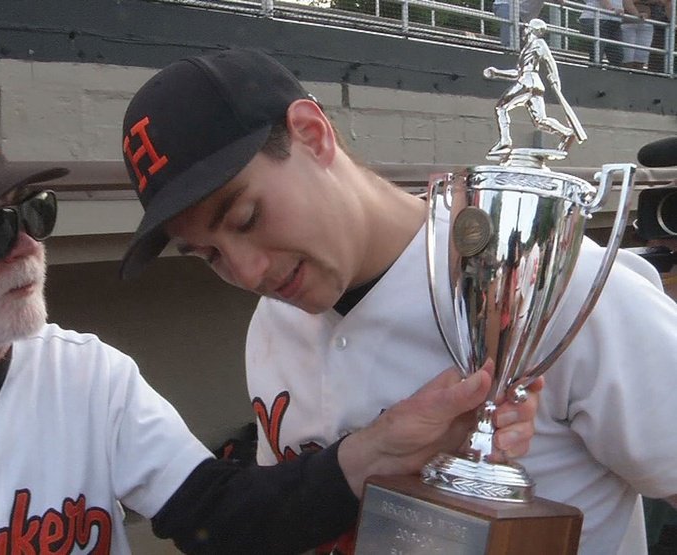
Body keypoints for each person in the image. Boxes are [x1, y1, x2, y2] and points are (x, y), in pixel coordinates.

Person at [0, 119, 539, 554]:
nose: (26, 248)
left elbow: (220, 515)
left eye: (32, 215)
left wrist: (382, 446)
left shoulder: (93, 378)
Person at [119, 48, 677, 554]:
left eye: (246, 217)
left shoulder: (554, 282)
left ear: (313, 135)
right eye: (209, 256)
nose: (246, 271)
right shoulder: (269, 327)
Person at [483, 18, 583, 155]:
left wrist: (555, 79)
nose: (524, 30)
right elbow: (517, 73)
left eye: (526, 28)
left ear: (531, 29)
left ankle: (505, 140)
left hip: (527, 82)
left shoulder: (538, 43)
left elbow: (549, 61)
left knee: (501, 107)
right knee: (540, 121)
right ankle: (566, 133)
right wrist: (497, 73)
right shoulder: (527, 48)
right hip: (532, 83)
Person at [578, 0, 639, 65]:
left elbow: (626, 2)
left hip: (614, 21)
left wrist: (637, 15)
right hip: (597, 18)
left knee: (617, 56)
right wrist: (611, 9)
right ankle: (594, 70)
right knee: (598, 52)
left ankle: (609, 72)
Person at [621, 0, 655, 69]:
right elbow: (626, 2)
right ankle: (624, 76)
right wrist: (638, 15)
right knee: (627, 58)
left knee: (641, 57)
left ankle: (636, 77)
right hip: (628, 23)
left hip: (647, 24)